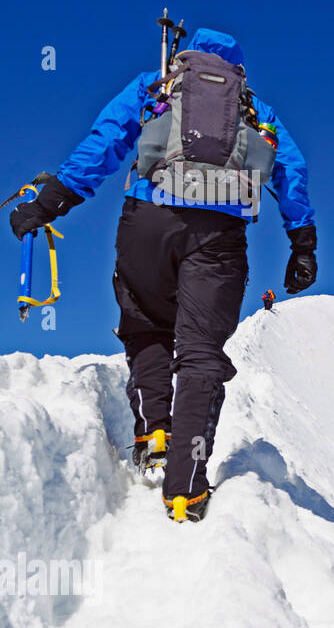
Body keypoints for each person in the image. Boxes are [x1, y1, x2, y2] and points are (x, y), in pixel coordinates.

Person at [7, 28, 317, 521]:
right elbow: (290, 172)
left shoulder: (157, 86)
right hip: (219, 233)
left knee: (145, 321)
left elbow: (104, 143)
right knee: (200, 352)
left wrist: (53, 201)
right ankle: (186, 490)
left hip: (148, 221)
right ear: (236, 68)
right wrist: (302, 242)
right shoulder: (255, 107)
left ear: (185, 54)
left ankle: (154, 428)